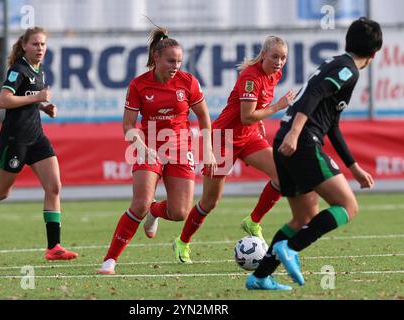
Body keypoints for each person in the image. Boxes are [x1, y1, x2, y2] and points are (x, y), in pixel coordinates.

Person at [246, 17, 382, 290]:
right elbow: (314, 95)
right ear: (374, 53)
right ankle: (292, 248)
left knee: (303, 217)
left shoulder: (336, 63)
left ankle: (259, 276)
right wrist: (297, 134)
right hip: (301, 141)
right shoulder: (347, 70)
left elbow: (332, 124)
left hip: (285, 140)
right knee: (348, 206)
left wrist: (353, 166)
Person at [99, 26, 216, 275]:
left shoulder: (188, 82)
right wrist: (141, 146)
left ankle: (155, 211)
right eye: (171, 60)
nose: (176, 65)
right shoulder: (139, 85)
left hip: (180, 146)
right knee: (139, 203)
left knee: (179, 213)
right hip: (149, 145)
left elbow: (204, 116)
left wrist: (208, 149)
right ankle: (110, 260)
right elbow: (127, 125)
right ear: (156, 58)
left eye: (179, 61)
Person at [0, 27, 78, 262]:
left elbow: (27, 98)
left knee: (54, 186)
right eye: (35, 44)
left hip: (36, 137)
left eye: (42, 44)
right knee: (1, 191)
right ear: (24, 46)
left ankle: (54, 247)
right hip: (15, 139)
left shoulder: (38, 70)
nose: (40, 48)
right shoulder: (18, 70)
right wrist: (37, 98)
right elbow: (3, 100)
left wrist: (43, 107)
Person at [173, 36, 295, 264]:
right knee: (210, 202)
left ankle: (253, 221)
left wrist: (260, 119)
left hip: (247, 137)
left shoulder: (274, 75)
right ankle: (182, 242)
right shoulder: (251, 77)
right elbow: (246, 115)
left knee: (284, 174)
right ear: (264, 55)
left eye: (283, 57)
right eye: (275, 56)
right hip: (223, 138)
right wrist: (277, 107)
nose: (279, 62)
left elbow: (253, 110)